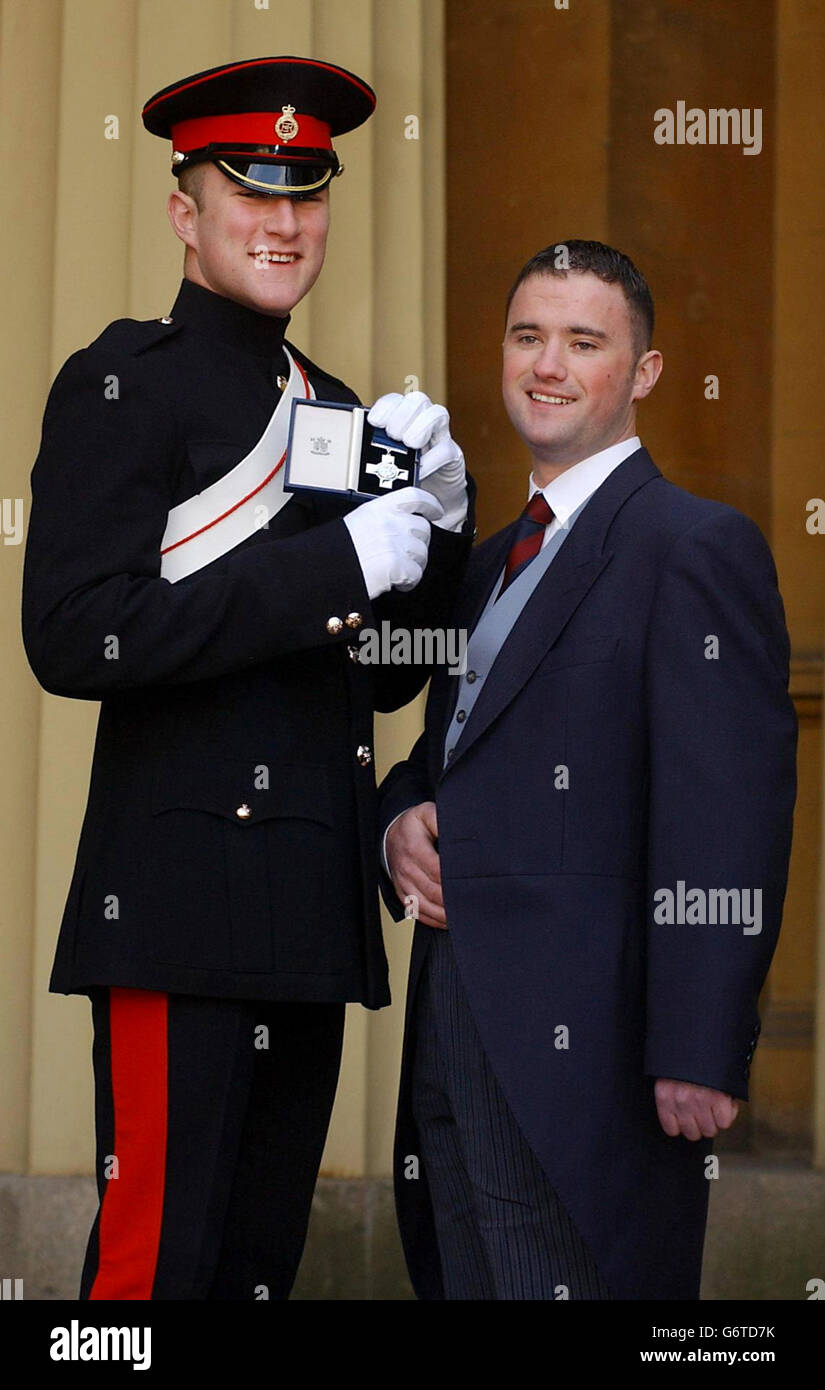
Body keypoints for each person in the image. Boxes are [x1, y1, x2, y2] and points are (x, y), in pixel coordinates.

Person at [21, 55, 473, 1301]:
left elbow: (385, 679)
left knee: (256, 1270)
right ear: (186, 210)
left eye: (307, 193)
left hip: (306, 912)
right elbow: (73, 633)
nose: (284, 222)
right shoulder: (127, 384)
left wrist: (439, 527)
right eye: (251, 191)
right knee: (150, 1276)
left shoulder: (331, 408)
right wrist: (332, 556)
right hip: (178, 910)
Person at [379, 239, 797, 1301]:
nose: (548, 364)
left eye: (584, 341)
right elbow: (443, 763)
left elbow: (730, 808)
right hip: (454, 1026)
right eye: (528, 336)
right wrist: (400, 824)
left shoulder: (694, 546)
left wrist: (702, 1044)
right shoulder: (480, 567)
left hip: (591, 1064)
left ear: (645, 372)